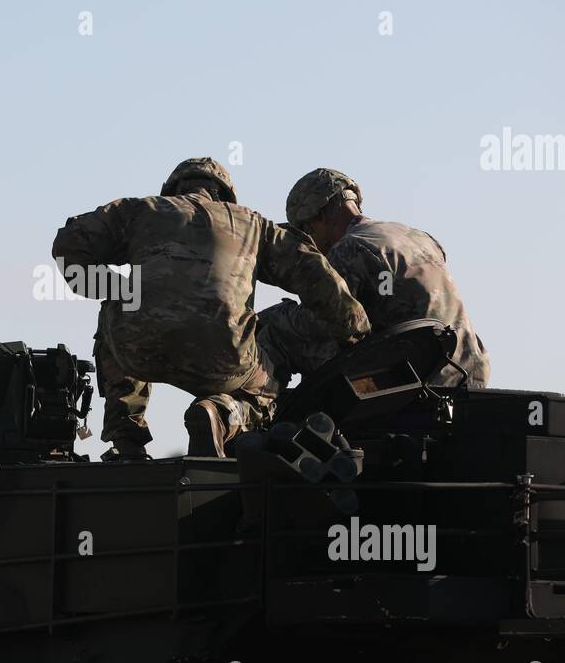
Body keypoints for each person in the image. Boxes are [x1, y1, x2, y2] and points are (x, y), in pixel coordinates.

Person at [52, 158, 369, 459]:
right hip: (224, 361)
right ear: (225, 195)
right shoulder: (253, 225)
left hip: (140, 352)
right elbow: (314, 275)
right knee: (267, 391)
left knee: (119, 305)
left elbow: (69, 245)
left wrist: (116, 289)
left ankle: (126, 439)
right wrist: (356, 331)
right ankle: (221, 414)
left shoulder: (139, 211)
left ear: (173, 190)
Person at [257, 168, 489, 388]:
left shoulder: (350, 248)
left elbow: (320, 323)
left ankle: (268, 412)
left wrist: (265, 320)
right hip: (464, 370)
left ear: (321, 215)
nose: (313, 243)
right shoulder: (417, 236)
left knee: (277, 329)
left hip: (405, 381)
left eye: (308, 230)